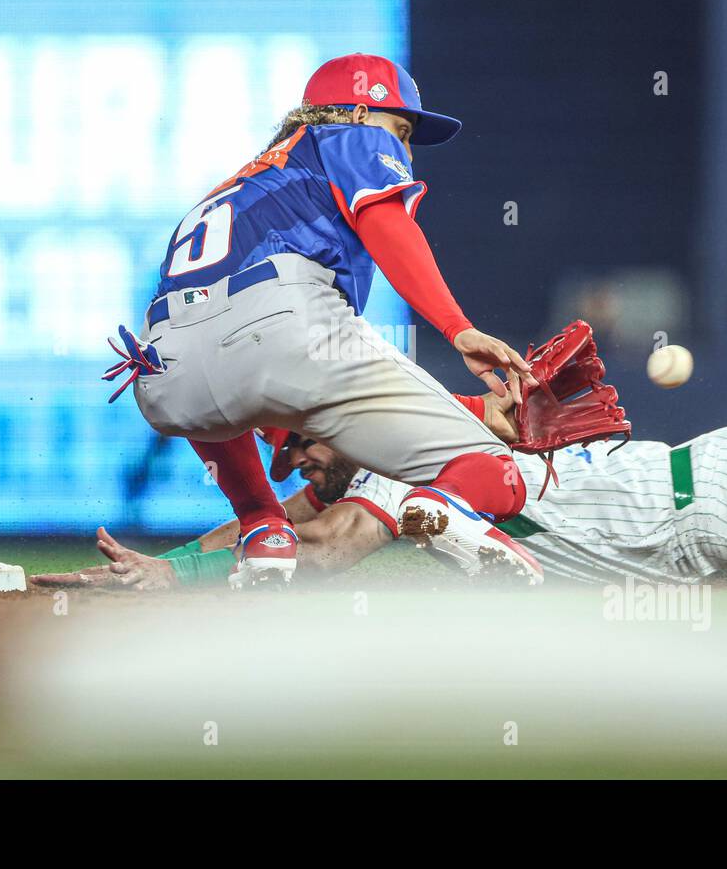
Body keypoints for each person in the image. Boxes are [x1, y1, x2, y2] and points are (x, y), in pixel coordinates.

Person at [115, 53, 538, 587]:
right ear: (358, 114)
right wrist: (458, 328)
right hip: (283, 322)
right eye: (401, 129)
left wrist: (264, 496)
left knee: (219, 399)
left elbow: (220, 351)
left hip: (159, 373)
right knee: (490, 467)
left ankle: (264, 530)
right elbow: (386, 224)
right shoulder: (351, 136)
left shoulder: (238, 187)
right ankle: (444, 510)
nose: (404, 149)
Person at [37, 390, 727, 590]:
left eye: (296, 446)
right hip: (721, 472)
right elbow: (281, 523)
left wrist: (189, 589)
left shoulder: (391, 448)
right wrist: (174, 564)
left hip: (715, 507)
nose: (295, 467)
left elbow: (326, 545)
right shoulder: (391, 426)